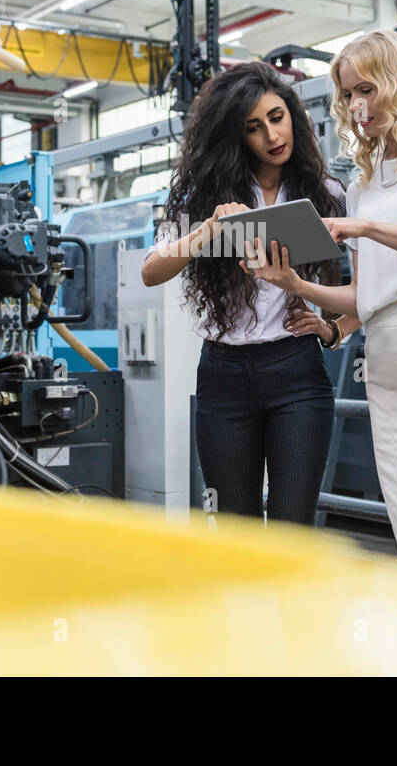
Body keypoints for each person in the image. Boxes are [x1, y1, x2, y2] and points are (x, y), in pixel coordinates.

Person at [244, 30, 397, 570]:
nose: (357, 106)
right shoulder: (365, 184)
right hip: (388, 370)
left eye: (367, 90)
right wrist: (297, 288)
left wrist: (370, 227)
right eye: (348, 95)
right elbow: (365, 293)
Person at [141, 61, 346, 525]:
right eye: (254, 128)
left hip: (296, 371)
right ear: (236, 136)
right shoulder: (204, 197)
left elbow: (375, 283)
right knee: (237, 531)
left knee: (293, 529)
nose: (272, 136)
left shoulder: (326, 192)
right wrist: (208, 230)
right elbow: (152, 272)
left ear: (292, 113)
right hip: (224, 378)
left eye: (277, 117)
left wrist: (334, 330)